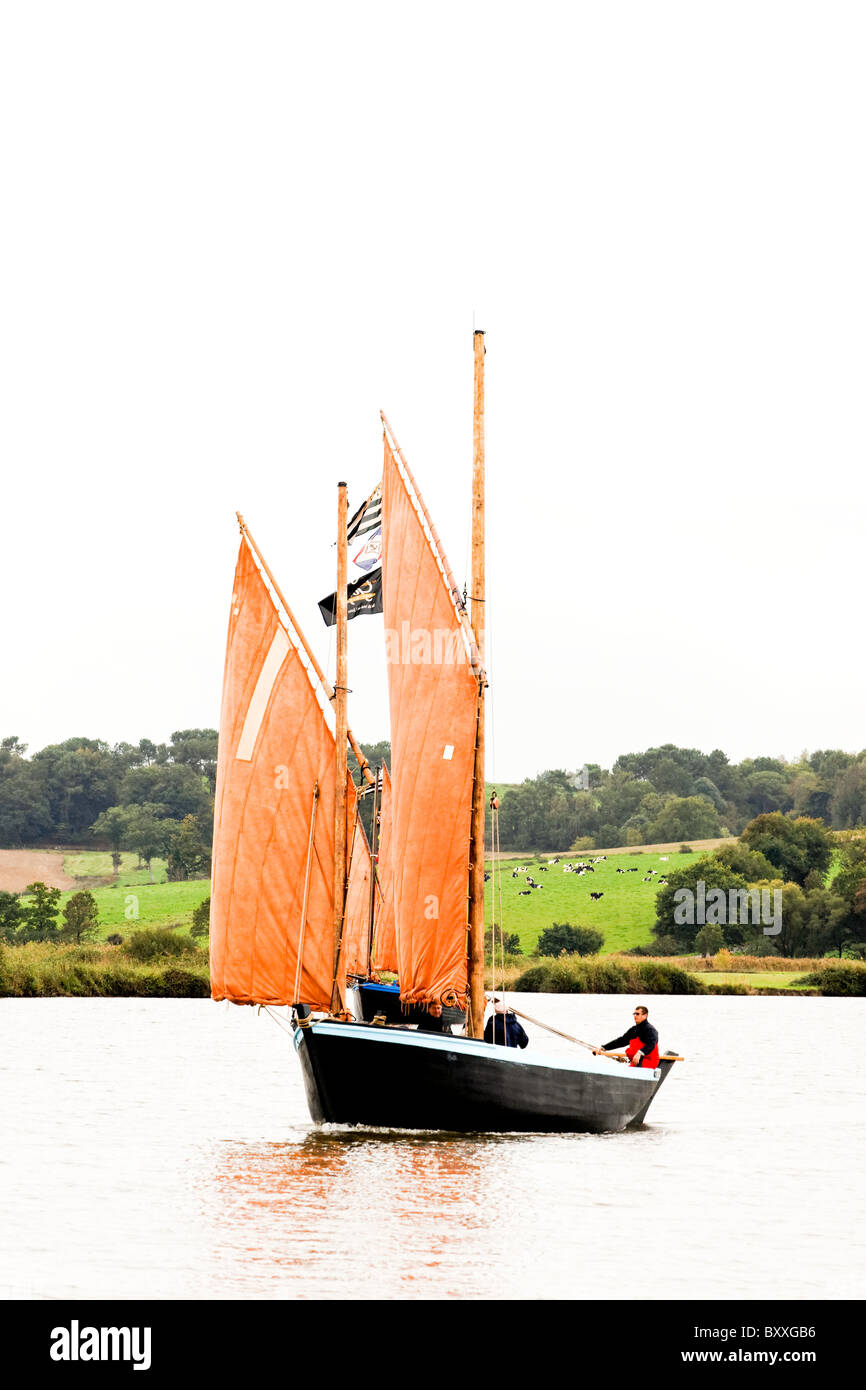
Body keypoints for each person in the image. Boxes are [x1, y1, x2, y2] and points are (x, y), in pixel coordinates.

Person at [594, 1005, 659, 1068]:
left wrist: (639, 1053)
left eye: (637, 1014)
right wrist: (603, 1048)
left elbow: (652, 1043)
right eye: (634, 1014)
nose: (635, 1016)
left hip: (649, 1062)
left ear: (645, 1016)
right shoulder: (634, 1029)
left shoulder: (650, 1029)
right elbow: (621, 1041)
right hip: (637, 1062)